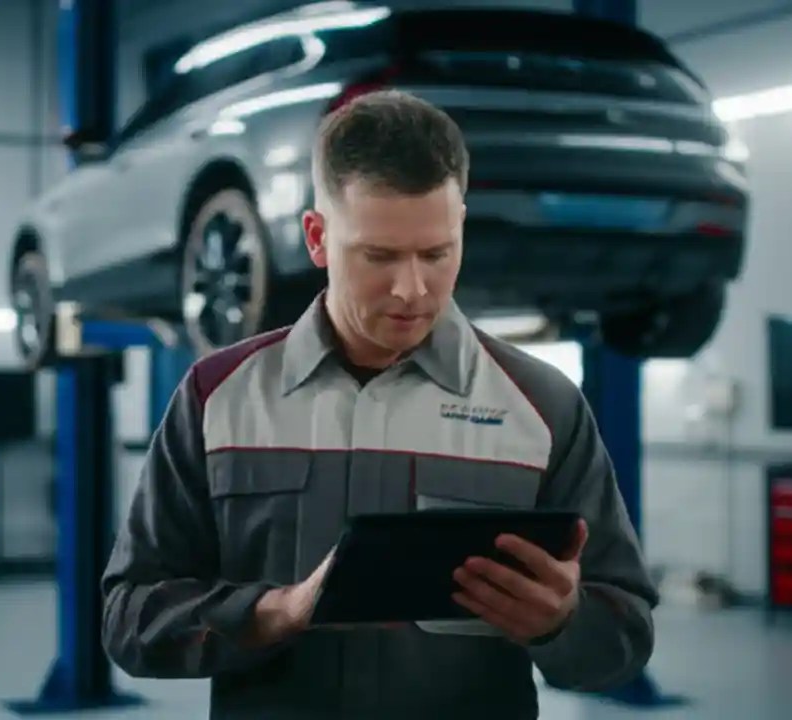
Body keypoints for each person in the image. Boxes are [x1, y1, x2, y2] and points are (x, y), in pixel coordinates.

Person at [101, 90, 659, 720]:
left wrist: (563, 621)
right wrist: (277, 613)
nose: (412, 289)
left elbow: (626, 635)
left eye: (436, 253)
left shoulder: (542, 406)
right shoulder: (217, 397)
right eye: (380, 256)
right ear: (317, 237)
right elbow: (130, 618)